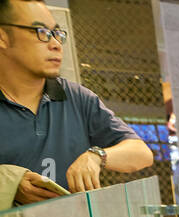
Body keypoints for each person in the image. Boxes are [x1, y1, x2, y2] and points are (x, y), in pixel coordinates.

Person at [0, 0, 153, 204]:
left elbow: (141, 153)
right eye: (41, 32)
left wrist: (96, 156)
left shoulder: (76, 97)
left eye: (57, 34)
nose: (55, 44)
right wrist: (10, 184)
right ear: (3, 37)